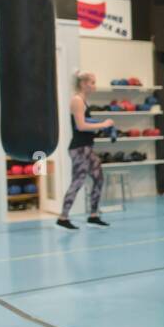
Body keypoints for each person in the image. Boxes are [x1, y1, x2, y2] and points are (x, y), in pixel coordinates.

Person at [58, 71, 115, 230]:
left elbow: (86, 123)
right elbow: (81, 126)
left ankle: (94, 215)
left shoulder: (83, 101)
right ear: (83, 84)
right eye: (92, 82)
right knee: (78, 181)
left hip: (87, 148)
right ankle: (63, 218)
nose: (94, 85)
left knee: (98, 178)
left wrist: (101, 126)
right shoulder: (77, 100)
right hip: (79, 149)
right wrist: (103, 124)